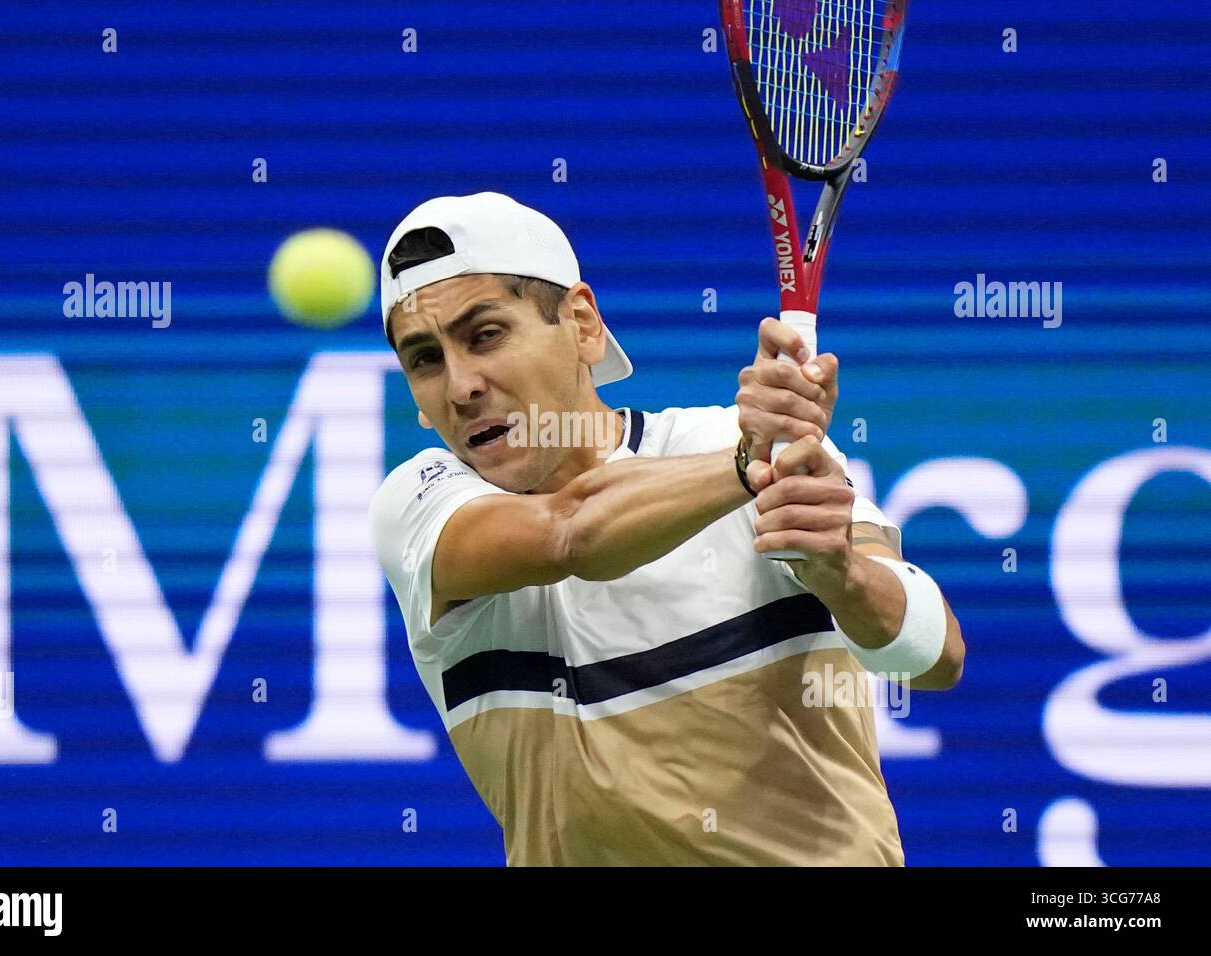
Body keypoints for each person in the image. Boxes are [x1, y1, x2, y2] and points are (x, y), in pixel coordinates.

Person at [368, 191, 964, 865]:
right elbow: (572, 531)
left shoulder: (732, 445)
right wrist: (749, 463)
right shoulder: (419, 507)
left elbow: (935, 658)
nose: (460, 386)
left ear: (584, 325)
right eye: (424, 359)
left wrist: (845, 577)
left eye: (485, 335)